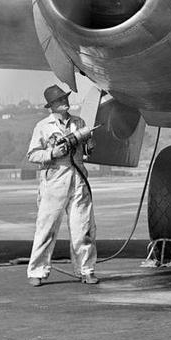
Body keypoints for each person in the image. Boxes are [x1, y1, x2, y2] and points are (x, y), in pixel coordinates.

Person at [26, 85, 98, 287]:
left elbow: (86, 152)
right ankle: (37, 271)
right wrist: (51, 154)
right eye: (59, 101)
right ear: (51, 106)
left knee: (83, 227)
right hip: (55, 177)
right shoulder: (43, 126)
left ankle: (87, 270)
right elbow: (32, 155)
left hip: (78, 177)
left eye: (64, 98)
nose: (64, 102)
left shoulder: (79, 122)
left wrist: (89, 145)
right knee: (46, 227)